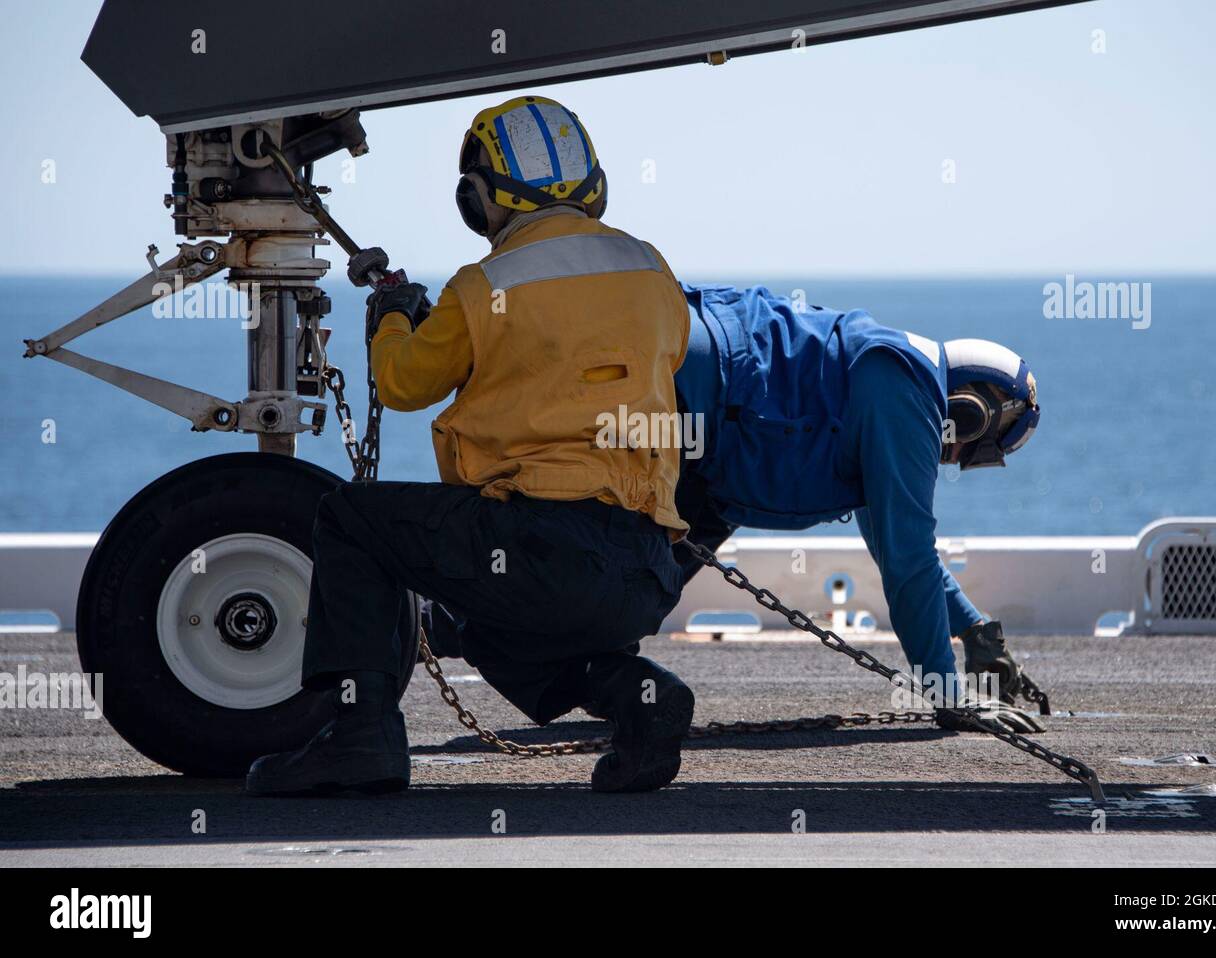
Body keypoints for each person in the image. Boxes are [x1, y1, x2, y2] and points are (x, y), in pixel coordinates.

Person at [247, 95, 695, 796]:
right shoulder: (651, 270)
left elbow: (403, 383)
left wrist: (394, 317)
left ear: (477, 199)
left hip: (542, 551)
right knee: (489, 627)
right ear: (595, 186)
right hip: (644, 567)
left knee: (350, 518)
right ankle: (638, 694)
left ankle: (361, 737)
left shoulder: (483, 286)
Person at [671, 284, 1047, 733]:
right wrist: (950, 696)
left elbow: (896, 548)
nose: (953, 459)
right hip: (693, 390)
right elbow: (909, 557)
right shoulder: (909, 393)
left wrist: (976, 632)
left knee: (634, 587)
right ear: (970, 414)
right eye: (973, 447)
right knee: (624, 583)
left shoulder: (897, 372)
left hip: (692, 385)